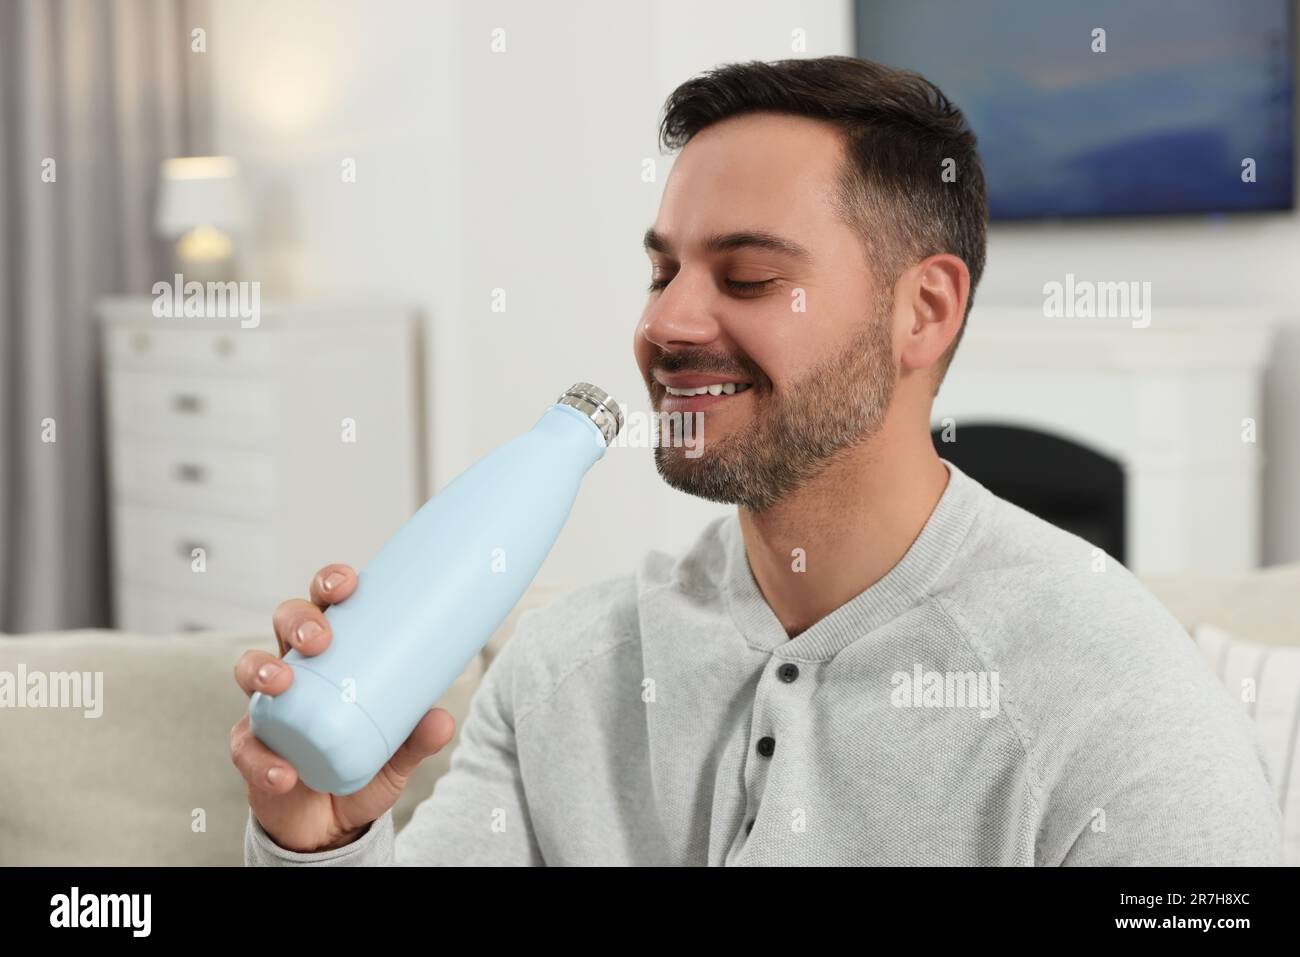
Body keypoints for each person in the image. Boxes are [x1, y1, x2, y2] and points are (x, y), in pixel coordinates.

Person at [234, 56, 1281, 865]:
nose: (666, 323)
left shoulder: (1111, 695)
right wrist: (315, 839)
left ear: (923, 311)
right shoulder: (565, 671)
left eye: (743, 276)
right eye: (662, 271)